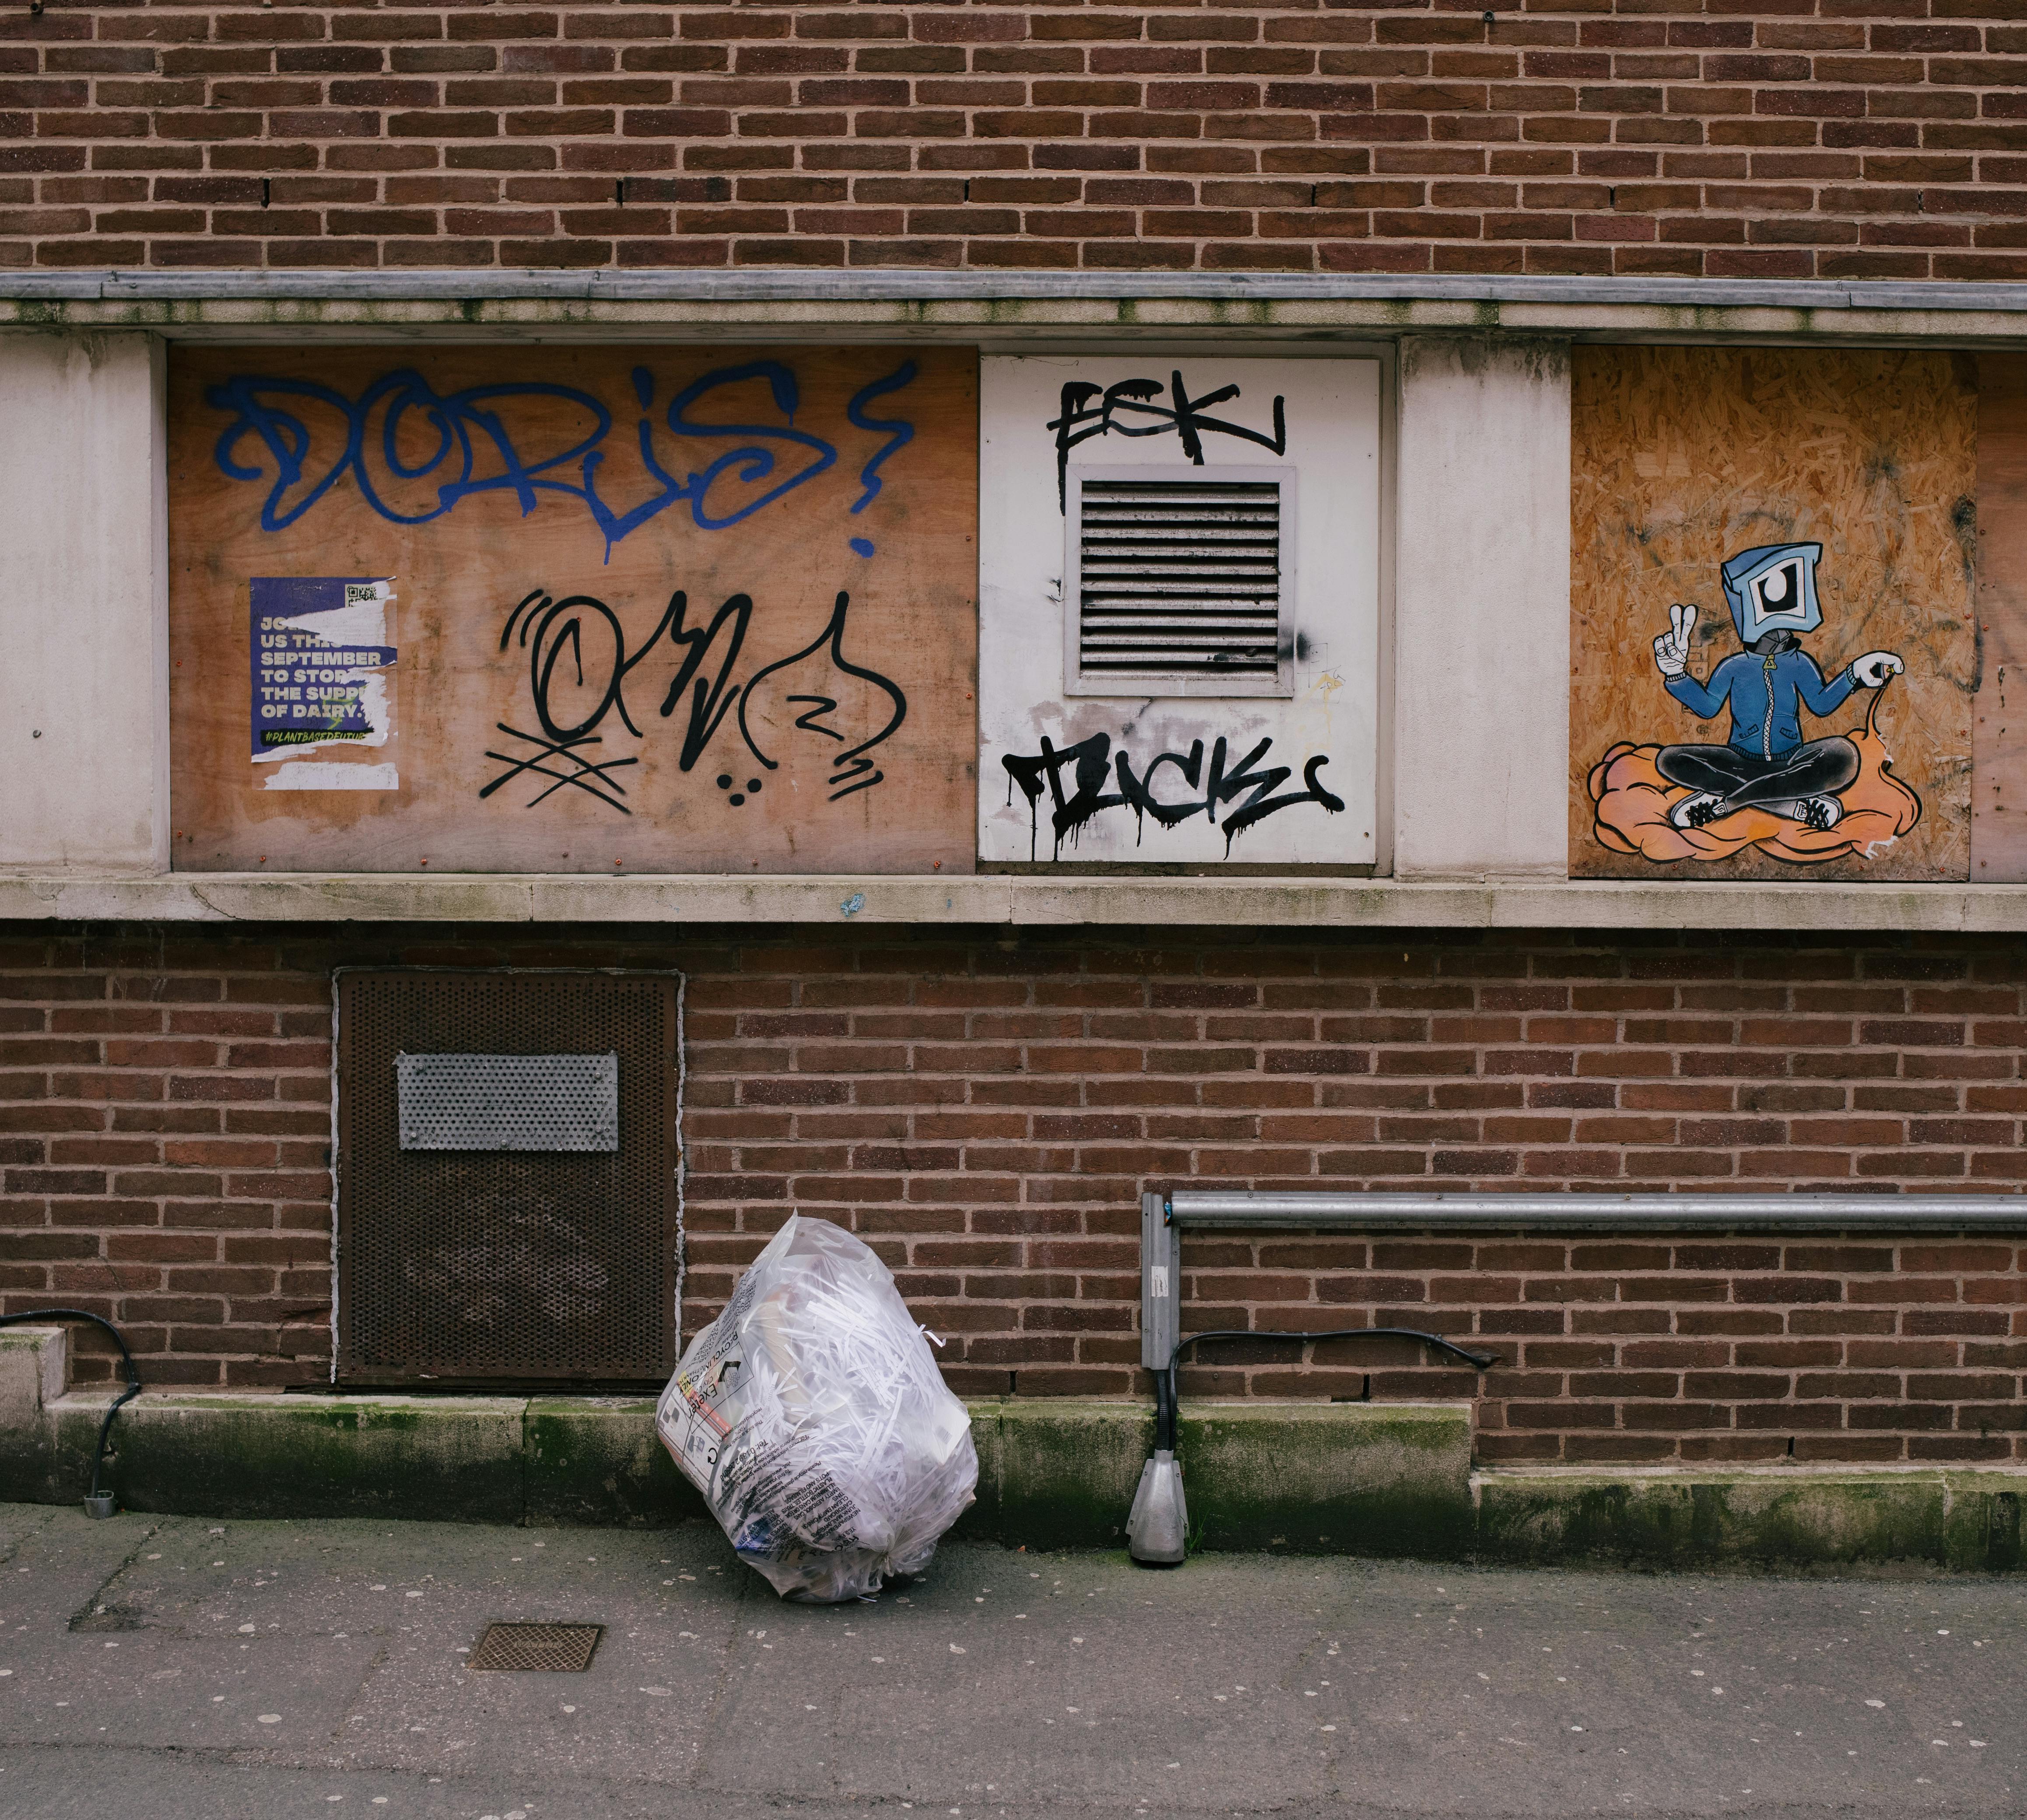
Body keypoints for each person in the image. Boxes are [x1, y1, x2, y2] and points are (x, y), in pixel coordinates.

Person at [1650, 541, 1904, 832]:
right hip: (1740, 763)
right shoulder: (1734, 666)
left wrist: (1854, 675)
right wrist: (1676, 675)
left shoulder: (1799, 663)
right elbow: (1708, 708)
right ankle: (1795, 806)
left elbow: (1821, 705)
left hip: (1792, 762)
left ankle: (1723, 804)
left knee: (1843, 754)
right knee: (1671, 759)